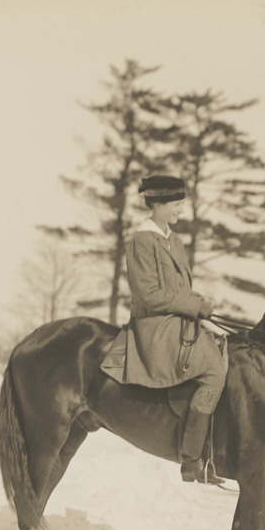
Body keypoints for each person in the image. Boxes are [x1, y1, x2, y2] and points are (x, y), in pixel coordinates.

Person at [103, 174, 227, 484]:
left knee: (227, 348)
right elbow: (149, 295)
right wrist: (192, 306)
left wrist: (197, 302)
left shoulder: (175, 240)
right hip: (155, 326)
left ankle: (211, 448)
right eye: (177, 204)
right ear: (157, 204)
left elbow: (179, 291)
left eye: (182, 203)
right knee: (213, 372)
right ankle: (191, 458)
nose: (181, 210)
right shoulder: (142, 241)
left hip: (176, 319)